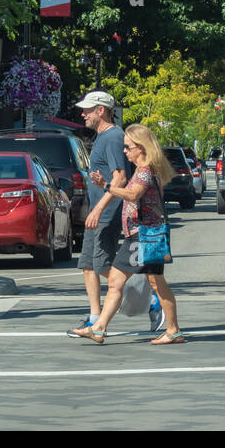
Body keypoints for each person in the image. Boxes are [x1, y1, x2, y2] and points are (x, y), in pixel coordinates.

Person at [70, 123, 184, 345]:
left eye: (128, 147)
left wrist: (107, 186)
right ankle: (99, 328)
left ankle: (173, 330)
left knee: (156, 284)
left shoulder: (144, 171)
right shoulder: (144, 170)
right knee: (117, 281)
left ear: (141, 148)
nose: (124, 151)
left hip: (143, 237)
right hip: (138, 236)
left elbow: (133, 195)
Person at [70, 91, 163, 336]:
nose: (83, 114)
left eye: (88, 110)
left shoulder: (112, 137)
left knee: (101, 265)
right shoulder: (102, 137)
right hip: (98, 210)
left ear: (101, 110)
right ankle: (94, 319)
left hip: (107, 211)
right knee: (88, 265)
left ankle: (150, 299)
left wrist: (99, 209)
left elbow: (120, 177)